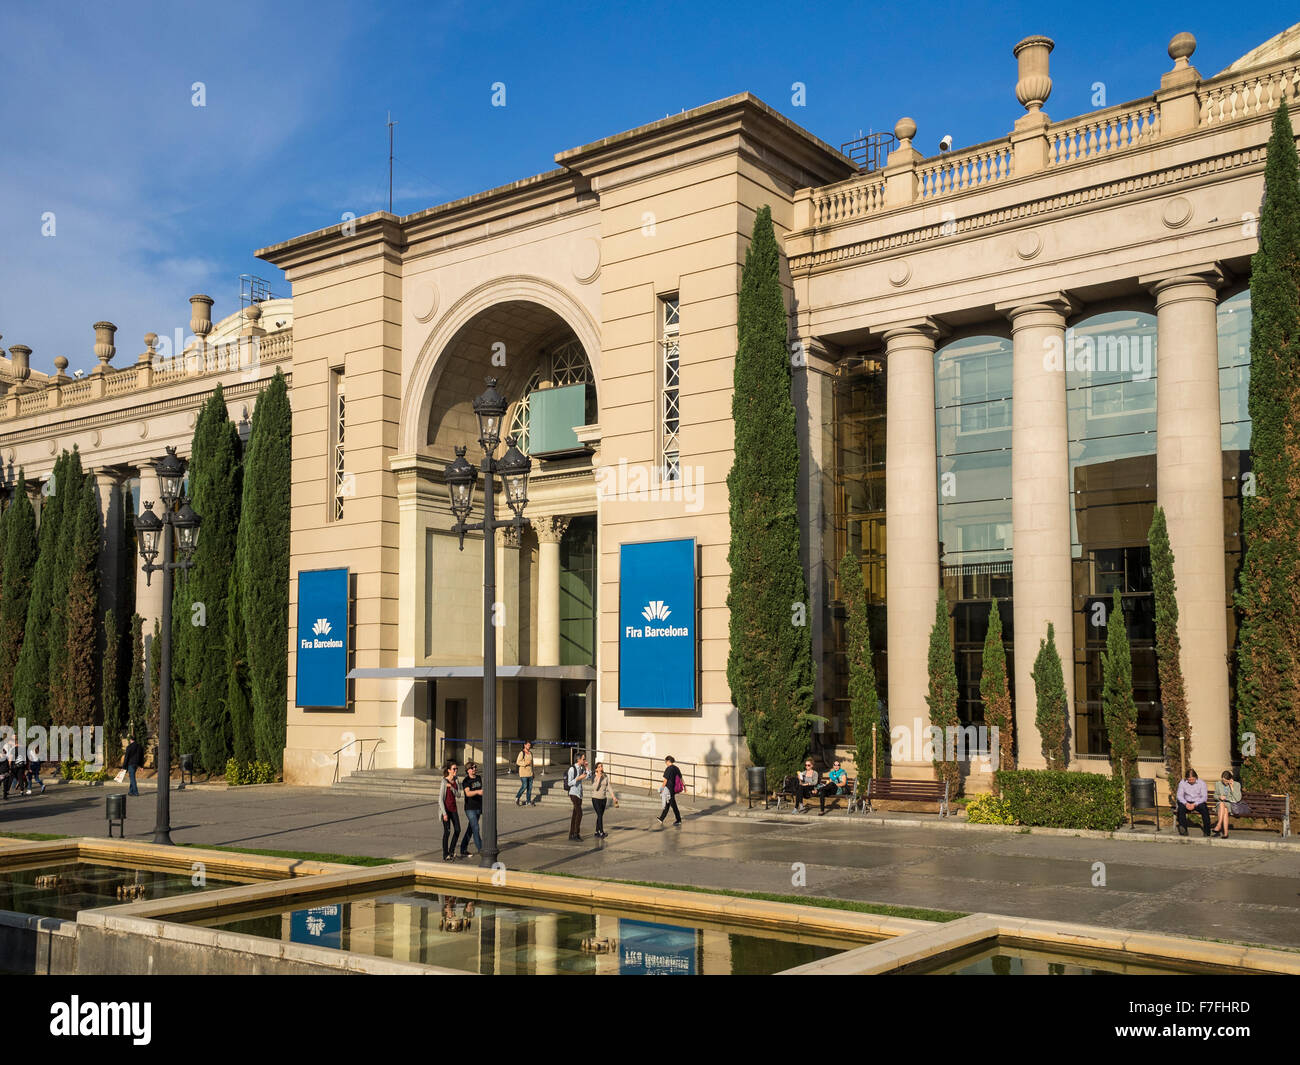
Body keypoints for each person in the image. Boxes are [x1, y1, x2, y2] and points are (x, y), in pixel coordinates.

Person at [1175, 768, 1211, 838]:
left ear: (1196, 777)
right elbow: (1179, 796)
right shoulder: (1182, 783)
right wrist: (1186, 803)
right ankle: (1183, 829)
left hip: (1198, 802)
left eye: (1193, 779)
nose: (1191, 781)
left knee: (1204, 809)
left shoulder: (1202, 783)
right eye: (1189, 780)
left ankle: (1207, 831)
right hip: (1186, 801)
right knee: (1181, 808)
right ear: (1186, 778)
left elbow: (1204, 797)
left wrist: (1194, 804)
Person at [459, 762, 484, 859]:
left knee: (471, 829)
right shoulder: (466, 780)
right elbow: (468, 793)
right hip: (470, 809)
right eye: (472, 768)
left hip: (478, 807)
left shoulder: (478, 778)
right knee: (476, 828)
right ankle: (481, 849)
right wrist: (478, 791)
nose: (474, 769)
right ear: (468, 770)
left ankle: (463, 848)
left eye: (475, 767)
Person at [439, 762, 461, 861]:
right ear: (449, 770)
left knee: (457, 830)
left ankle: (451, 851)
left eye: (456, 769)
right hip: (446, 810)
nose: (455, 771)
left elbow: (459, 795)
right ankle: (445, 854)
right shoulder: (444, 781)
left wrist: (451, 788)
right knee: (447, 831)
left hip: (453, 809)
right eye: (454, 769)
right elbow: (440, 799)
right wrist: (444, 813)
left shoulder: (456, 780)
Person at [590, 761, 618, 838]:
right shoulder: (593, 777)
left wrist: (613, 797)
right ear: (596, 769)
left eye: (601, 766)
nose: (601, 768)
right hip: (595, 798)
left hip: (603, 798)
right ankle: (601, 832)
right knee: (599, 815)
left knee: (600, 815)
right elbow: (595, 788)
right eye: (599, 767)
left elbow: (609, 787)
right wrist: (599, 778)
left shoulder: (605, 776)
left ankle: (596, 831)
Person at [1213, 770, 1242, 839]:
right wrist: (1219, 797)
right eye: (1223, 781)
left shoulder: (1237, 784)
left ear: (1230, 779)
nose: (1224, 782)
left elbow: (1237, 798)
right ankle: (1225, 833)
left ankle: (1219, 825)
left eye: (1226, 781)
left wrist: (1232, 787)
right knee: (1223, 806)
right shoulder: (1218, 784)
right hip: (1220, 804)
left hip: (1230, 804)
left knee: (1224, 806)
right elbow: (1215, 796)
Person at [565, 755, 589, 841]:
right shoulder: (572, 769)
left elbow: (588, 777)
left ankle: (571, 834)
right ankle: (576, 833)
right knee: (580, 813)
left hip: (579, 793)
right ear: (578, 759)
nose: (584, 760)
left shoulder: (581, 768)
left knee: (575, 814)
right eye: (583, 759)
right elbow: (569, 783)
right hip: (573, 793)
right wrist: (578, 778)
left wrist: (587, 768)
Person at [656, 755, 684, 827]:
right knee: (667, 803)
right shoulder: (676, 768)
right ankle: (661, 818)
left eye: (666, 761)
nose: (665, 763)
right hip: (673, 789)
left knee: (673, 805)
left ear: (668, 761)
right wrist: (684, 786)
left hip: (668, 789)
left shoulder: (668, 769)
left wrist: (662, 788)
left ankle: (678, 820)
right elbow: (681, 778)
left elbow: (665, 780)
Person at [515, 741, 535, 806]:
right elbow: (518, 762)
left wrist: (533, 772)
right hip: (523, 773)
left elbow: (532, 763)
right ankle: (517, 797)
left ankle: (528, 801)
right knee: (524, 786)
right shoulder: (521, 753)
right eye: (528, 745)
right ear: (525, 745)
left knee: (530, 788)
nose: (529, 746)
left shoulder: (530, 753)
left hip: (530, 773)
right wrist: (525, 763)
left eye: (530, 745)